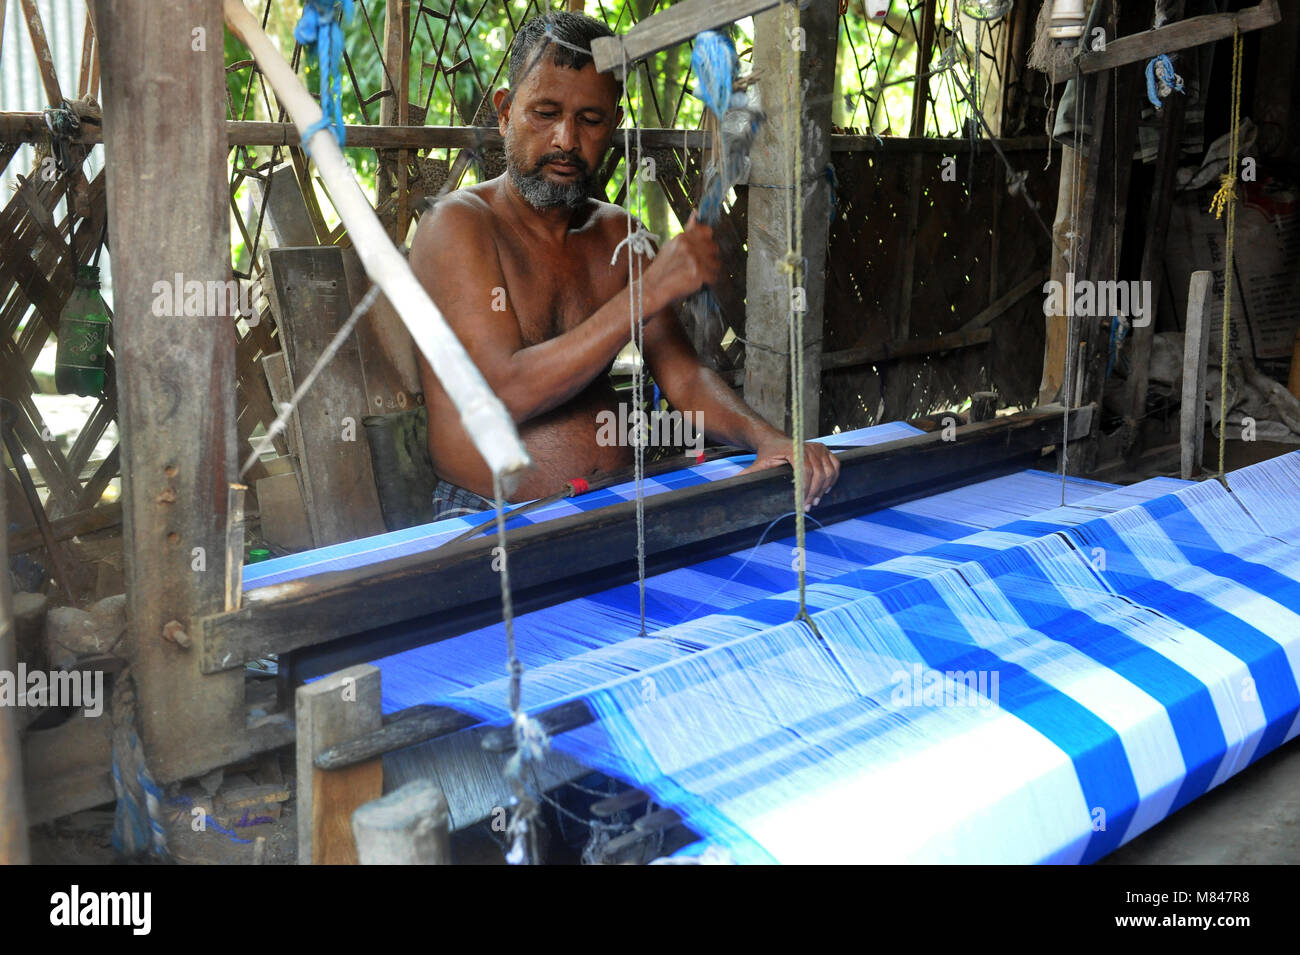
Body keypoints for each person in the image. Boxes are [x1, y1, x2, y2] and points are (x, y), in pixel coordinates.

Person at [410, 11, 839, 520]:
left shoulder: (617, 234)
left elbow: (682, 376)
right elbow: (503, 393)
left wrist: (768, 439)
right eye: (545, 113)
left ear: (612, 125)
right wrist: (646, 293)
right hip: (486, 517)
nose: (566, 140)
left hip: (614, 506)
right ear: (505, 113)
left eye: (589, 119)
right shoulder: (457, 226)